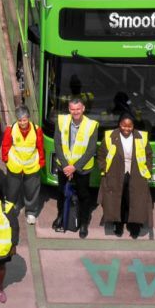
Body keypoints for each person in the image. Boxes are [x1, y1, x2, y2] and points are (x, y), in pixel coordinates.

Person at [98, 113, 152, 239]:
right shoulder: (110, 136)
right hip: (115, 173)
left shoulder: (142, 137)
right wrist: (104, 168)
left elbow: (149, 155)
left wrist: (147, 169)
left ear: (133, 126)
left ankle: (134, 226)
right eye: (124, 125)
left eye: (130, 126)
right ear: (119, 124)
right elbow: (101, 154)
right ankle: (119, 224)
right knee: (118, 199)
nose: (126, 129)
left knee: (135, 200)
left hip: (137, 174)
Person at [53, 96, 99, 238]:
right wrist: (67, 166)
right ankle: (61, 216)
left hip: (82, 169)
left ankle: (84, 223)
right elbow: (58, 144)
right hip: (64, 167)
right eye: (72, 109)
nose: (75, 112)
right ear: (69, 109)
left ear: (83, 108)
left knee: (84, 196)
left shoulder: (92, 125)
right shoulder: (61, 121)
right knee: (61, 193)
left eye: (78, 109)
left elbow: (91, 150)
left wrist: (74, 167)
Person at [0, 107, 45, 224]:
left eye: (24, 120)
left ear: (28, 118)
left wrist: (41, 162)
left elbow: (40, 147)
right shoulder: (11, 129)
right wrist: (5, 159)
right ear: (17, 120)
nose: (22, 123)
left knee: (32, 190)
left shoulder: (37, 130)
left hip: (32, 165)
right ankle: (11, 209)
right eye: (20, 120)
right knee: (12, 189)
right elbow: (6, 145)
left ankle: (31, 212)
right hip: (14, 164)